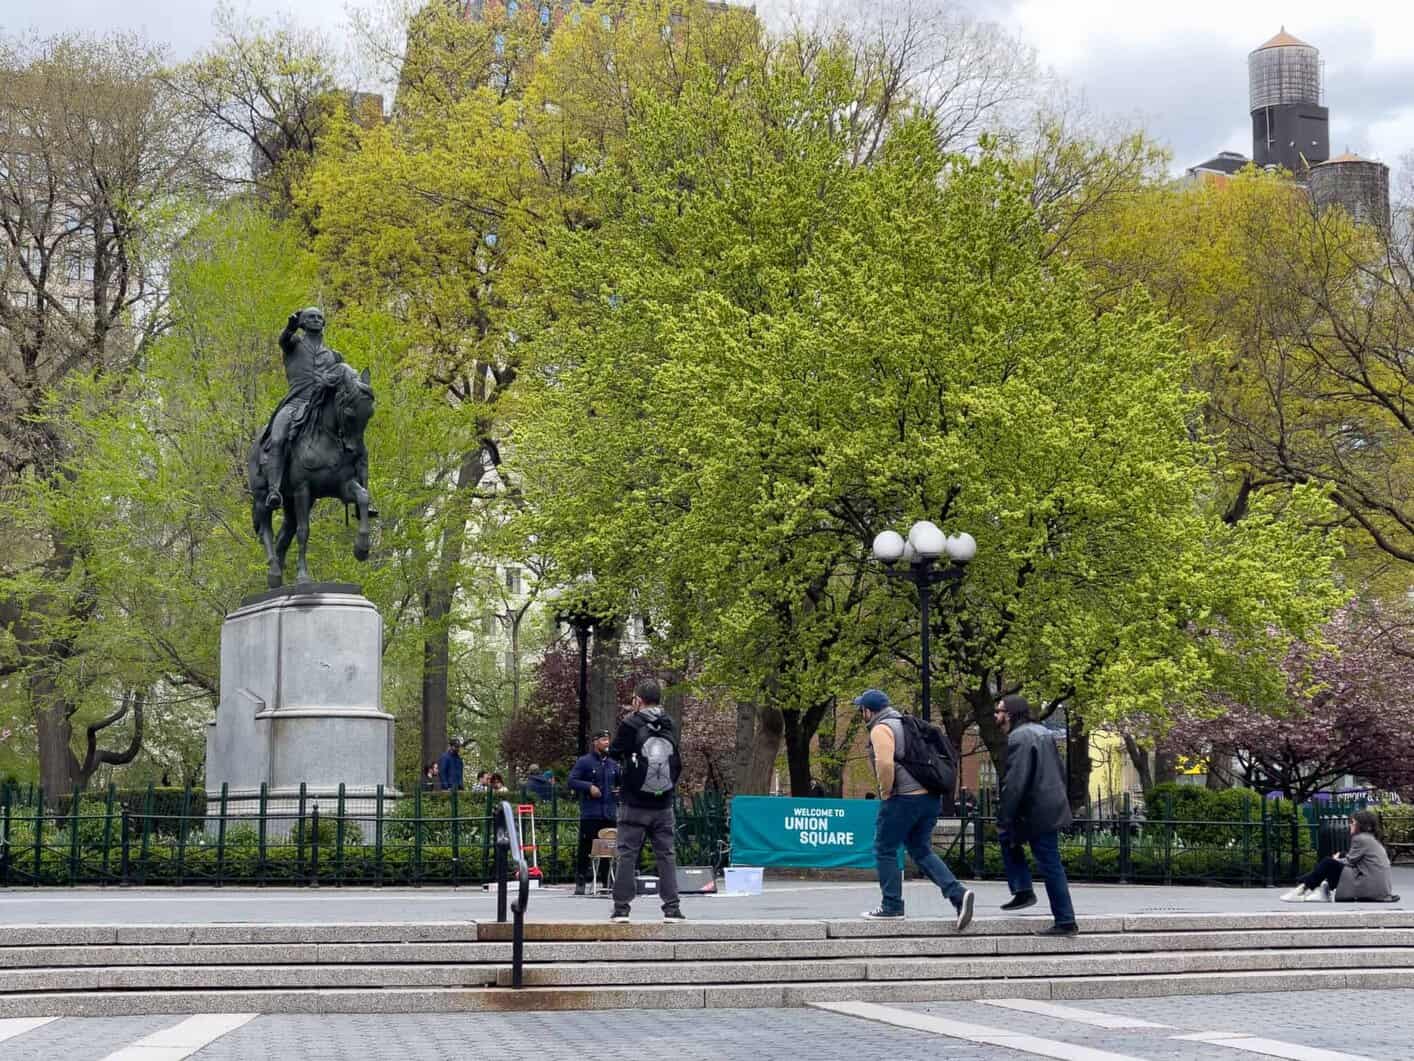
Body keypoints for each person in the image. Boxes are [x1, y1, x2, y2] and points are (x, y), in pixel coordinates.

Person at [854, 689, 974, 928]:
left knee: (885, 848)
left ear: (868, 711)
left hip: (904, 799)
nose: (861, 714)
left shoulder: (881, 728)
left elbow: (885, 763)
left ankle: (892, 906)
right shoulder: (908, 723)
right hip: (930, 798)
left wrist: (886, 791)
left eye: (861, 710)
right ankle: (958, 895)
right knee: (921, 850)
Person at [995, 694, 1079, 937]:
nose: (996, 716)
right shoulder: (1042, 732)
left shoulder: (1019, 737)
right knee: (1017, 845)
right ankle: (1023, 891)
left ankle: (1064, 920)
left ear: (1009, 714)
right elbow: (1059, 771)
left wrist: (1006, 815)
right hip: (1049, 804)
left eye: (999, 711)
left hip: (1034, 808)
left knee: (1049, 864)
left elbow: (1016, 781)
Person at [607, 678, 684, 922]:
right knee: (666, 854)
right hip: (663, 802)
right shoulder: (670, 723)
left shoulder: (631, 723)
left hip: (634, 802)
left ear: (638, 700)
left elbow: (614, 752)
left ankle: (622, 908)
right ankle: (672, 907)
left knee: (627, 853)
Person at [1281, 810, 1394, 902]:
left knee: (1328, 863)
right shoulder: (1371, 839)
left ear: (1363, 825)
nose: (1350, 825)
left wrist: (1335, 860)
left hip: (1368, 887)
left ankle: (1302, 888)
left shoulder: (1361, 838)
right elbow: (1354, 860)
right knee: (1333, 862)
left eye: (1353, 822)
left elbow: (1350, 861)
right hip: (1380, 889)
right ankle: (1318, 889)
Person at [569, 729, 621, 895]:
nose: (607, 743)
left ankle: (606, 881)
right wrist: (588, 787)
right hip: (591, 813)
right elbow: (572, 780)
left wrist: (619, 791)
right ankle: (581, 880)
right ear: (595, 742)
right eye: (603, 740)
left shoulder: (613, 764)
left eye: (608, 740)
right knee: (586, 847)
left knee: (608, 847)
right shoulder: (585, 762)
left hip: (609, 813)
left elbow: (620, 782)